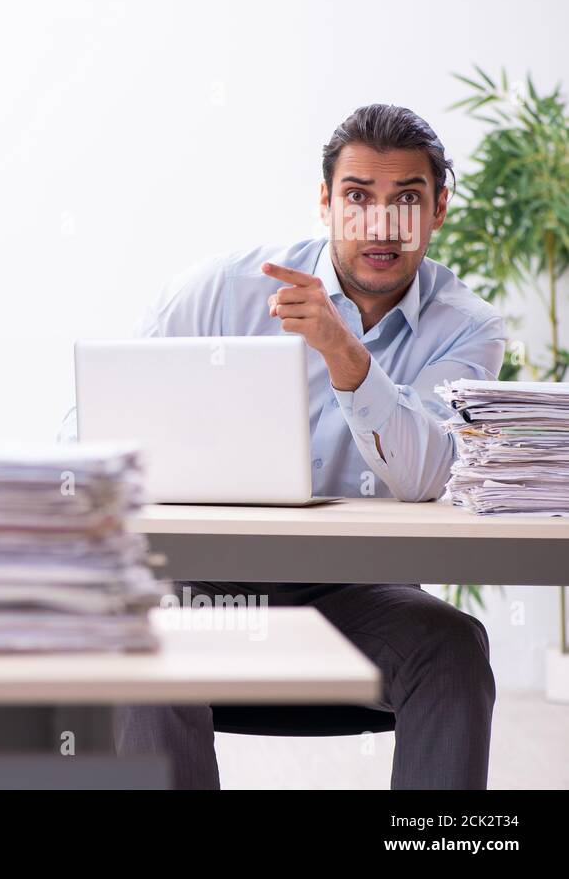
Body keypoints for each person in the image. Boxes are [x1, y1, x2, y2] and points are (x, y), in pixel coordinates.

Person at [63, 104, 504, 789]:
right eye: (358, 197)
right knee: (139, 646)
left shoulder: (467, 329)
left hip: (358, 594)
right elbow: (86, 433)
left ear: (439, 209)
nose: (381, 225)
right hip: (201, 587)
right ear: (325, 202)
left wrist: (343, 353)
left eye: (407, 200)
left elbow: (428, 473)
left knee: (455, 645)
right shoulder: (221, 291)